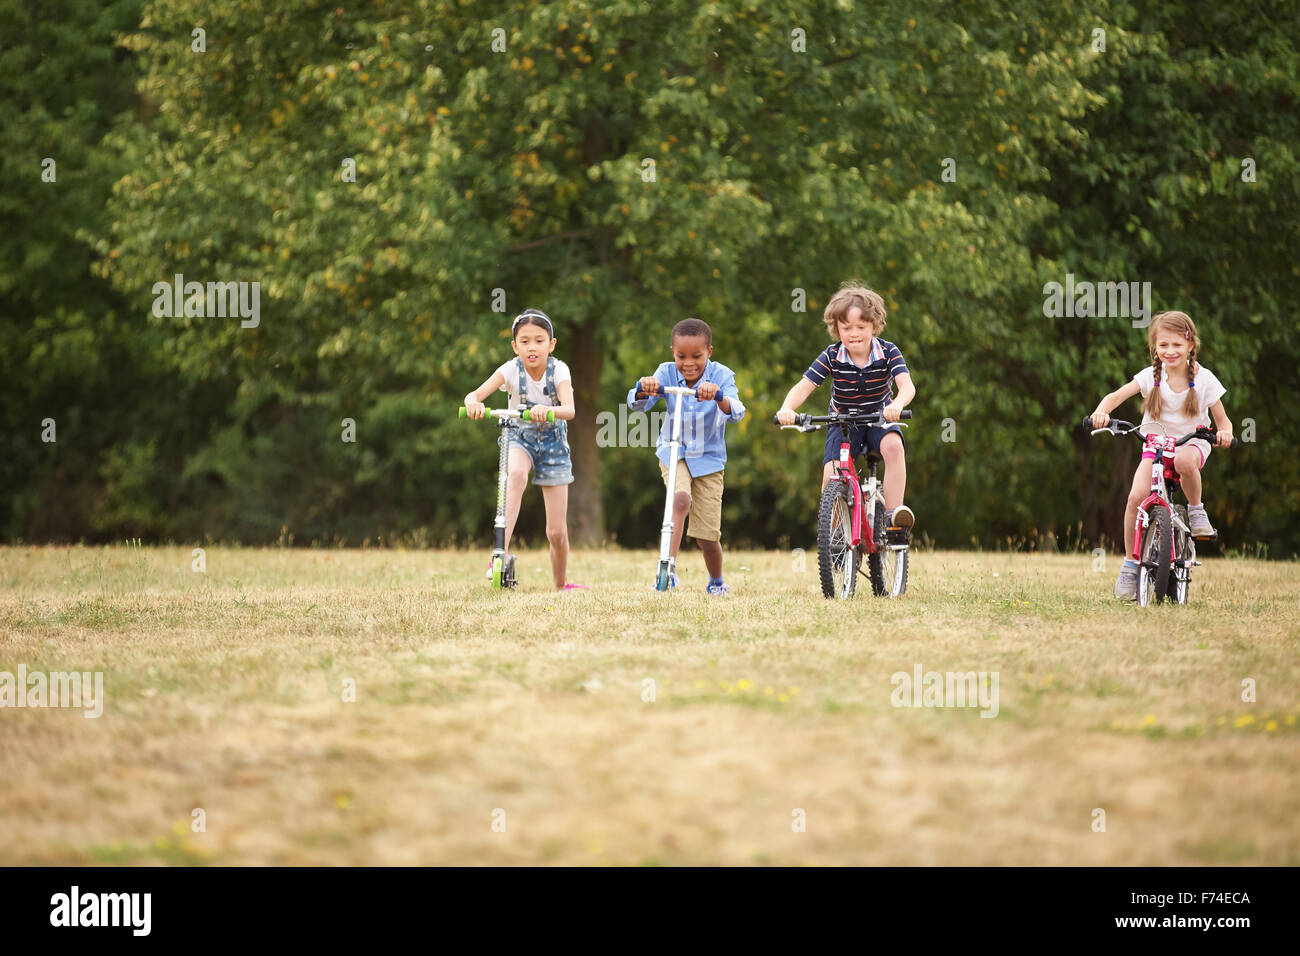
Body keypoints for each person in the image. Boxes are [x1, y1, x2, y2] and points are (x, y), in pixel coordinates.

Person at [1089, 310, 1233, 600]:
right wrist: (1102, 412)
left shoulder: (1204, 379)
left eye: (1177, 345)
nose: (1170, 351)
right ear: (1155, 347)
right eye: (1163, 345)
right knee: (1135, 497)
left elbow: (1223, 420)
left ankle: (1195, 510)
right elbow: (1116, 396)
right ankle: (1131, 563)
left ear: (1191, 345)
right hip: (1155, 444)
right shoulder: (1150, 377)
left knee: (1184, 461)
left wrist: (1224, 432)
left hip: (1191, 443)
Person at [774, 282, 916, 532]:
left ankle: (894, 519)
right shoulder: (831, 355)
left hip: (880, 418)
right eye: (846, 327)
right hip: (843, 423)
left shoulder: (888, 351)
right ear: (836, 328)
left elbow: (907, 387)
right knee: (831, 474)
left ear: (874, 325)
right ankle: (836, 539)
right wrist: (787, 408)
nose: (854, 333)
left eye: (861, 327)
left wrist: (896, 404)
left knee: (894, 448)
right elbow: (803, 386)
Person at [463, 308, 587, 591]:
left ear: (551, 344)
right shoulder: (509, 370)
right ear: (515, 345)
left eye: (540, 341)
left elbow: (570, 410)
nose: (532, 347)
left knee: (555, 532)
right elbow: (475, 394)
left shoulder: (560, 370)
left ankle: (560, 585)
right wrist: (474, 402)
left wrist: (549, 410)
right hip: (520, 436)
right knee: (515, 476)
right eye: (525, 341)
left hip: (554, 443)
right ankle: (499, 554)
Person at [628, 318, 746, 595]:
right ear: (672, 352)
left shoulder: (721, 375)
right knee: (680, 499)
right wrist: (644, 388)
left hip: (709, 460)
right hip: (674, 451)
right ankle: (667, 568)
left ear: (709, 352)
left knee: (707, 537)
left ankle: (716, 581)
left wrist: (718, 397)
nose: (689, 363)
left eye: (697, 356)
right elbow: (638, 404)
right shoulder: (666, 372)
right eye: (681, 356)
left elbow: (737, 410)